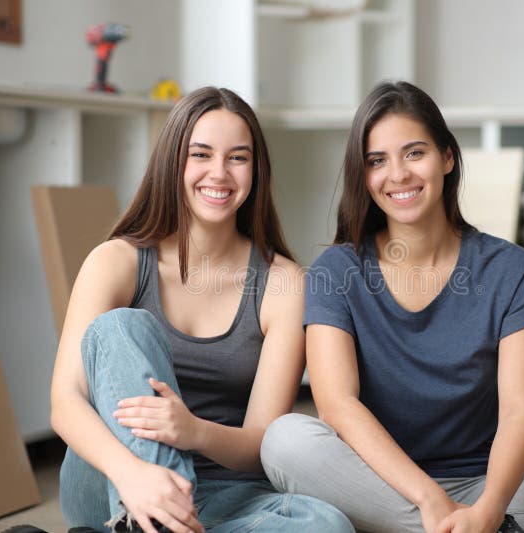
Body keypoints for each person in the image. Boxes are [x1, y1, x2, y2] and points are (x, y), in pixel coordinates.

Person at [260, 81, 524, 533]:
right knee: (286, 440)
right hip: (372, 485)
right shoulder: (335, 270)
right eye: (377, 161)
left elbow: (519, 411)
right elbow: (338, 404)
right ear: (364, 174)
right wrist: (429, 500)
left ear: (447, 157)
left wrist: (490, 510)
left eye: (414, 153)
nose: (397, 174)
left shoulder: (513, 272)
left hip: (479, 489)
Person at [51, 87, 354, 533]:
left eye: (238, 158)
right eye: (201, 154)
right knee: (123, 326)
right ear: (173, 162)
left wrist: (191, 431)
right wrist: (135, 474)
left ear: (256, 171)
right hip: (112, 479)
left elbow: (260, 445)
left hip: (223, 491)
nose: (219, 173)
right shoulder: (116, 261)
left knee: (327, 524)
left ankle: (159, 525)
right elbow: (65, 403)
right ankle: (149, 519)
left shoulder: (283, 283)